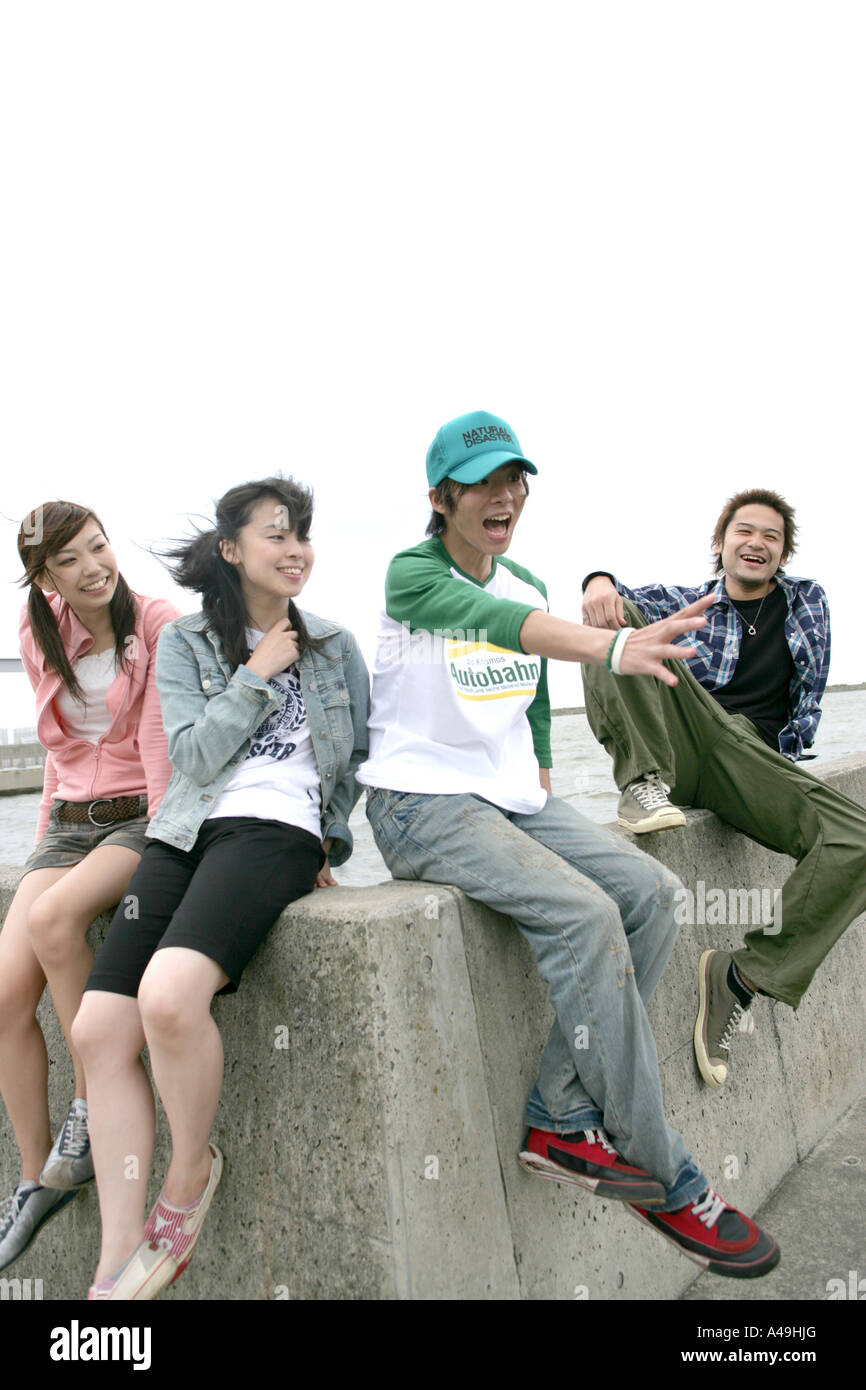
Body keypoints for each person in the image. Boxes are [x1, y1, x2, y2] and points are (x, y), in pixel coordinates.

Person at [357, 410, 779, 1280]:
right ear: (442, 498)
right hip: (420, 802)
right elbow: (506, 630)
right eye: (483, 483)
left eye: (516, 479)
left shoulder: (525, 576)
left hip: (508, 798)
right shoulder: (412, 573)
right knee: (585, 917)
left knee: (653, 894)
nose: (505, 495)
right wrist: (615, 643)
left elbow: (529, 683)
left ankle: (559, 1110)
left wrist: (542, 759)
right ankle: (669, 1174)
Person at [71, 476, 369, 1300]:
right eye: (275, 534)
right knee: (99, 1029)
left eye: (300, 533)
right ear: (232, 550)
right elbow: (195, 760)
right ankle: (115, 1256)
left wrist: (325, 838)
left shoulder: (336, 645)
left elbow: (353, 765)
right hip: (185, 829)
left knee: (169, 997)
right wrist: (255, 672)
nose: (295, 547)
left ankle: (190, 1177)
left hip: (274, 831)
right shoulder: (190, 643)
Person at [580, 488, 866, 1086]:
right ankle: (640, 782)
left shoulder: (806, 603)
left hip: (752, 761)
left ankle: (741, 977)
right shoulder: (692, 601)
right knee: (614, 625)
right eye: (745, 531)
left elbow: (808, 698)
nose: (756, 543)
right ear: (721, 542)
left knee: (856, 840)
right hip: (688, 741)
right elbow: (618, 601)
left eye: (771, 537)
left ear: (783, 554)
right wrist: (597, 580)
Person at [0, 501, 178, 1274]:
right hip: (68, 826)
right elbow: (58, 759)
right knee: (3, 996)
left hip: (140, 819)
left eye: (98, 548)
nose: (93, 568)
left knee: (58, 917)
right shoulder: (41, 634)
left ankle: (86, 1105)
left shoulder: (159, 622)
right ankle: (39, 1176)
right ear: (45, 579)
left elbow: (162, 753)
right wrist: (45, 845)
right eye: (69, 561)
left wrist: (173, 849)